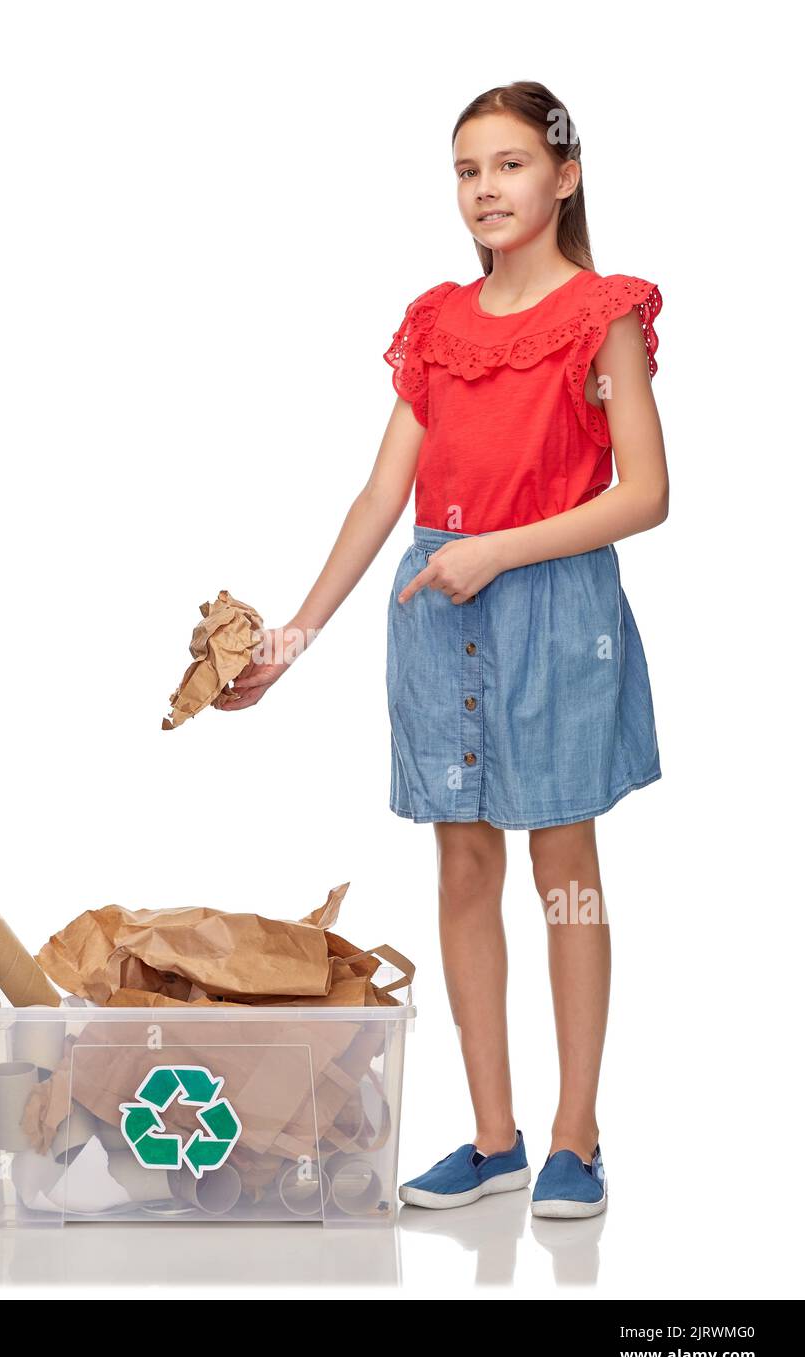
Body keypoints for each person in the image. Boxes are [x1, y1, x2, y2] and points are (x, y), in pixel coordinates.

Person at [213, 80, 667, 1220]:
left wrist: (502, 552)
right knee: (463, 867)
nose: (486, 189)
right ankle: (492, 1135)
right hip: (438, 607)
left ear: (562, 176)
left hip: (555, 610)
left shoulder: (599, 314)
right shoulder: (435, 325)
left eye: (510, 164)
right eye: (467, 170)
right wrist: (292, 638)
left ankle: (575, 1135)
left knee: (563, 867)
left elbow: (646, 493)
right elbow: (381, 491)